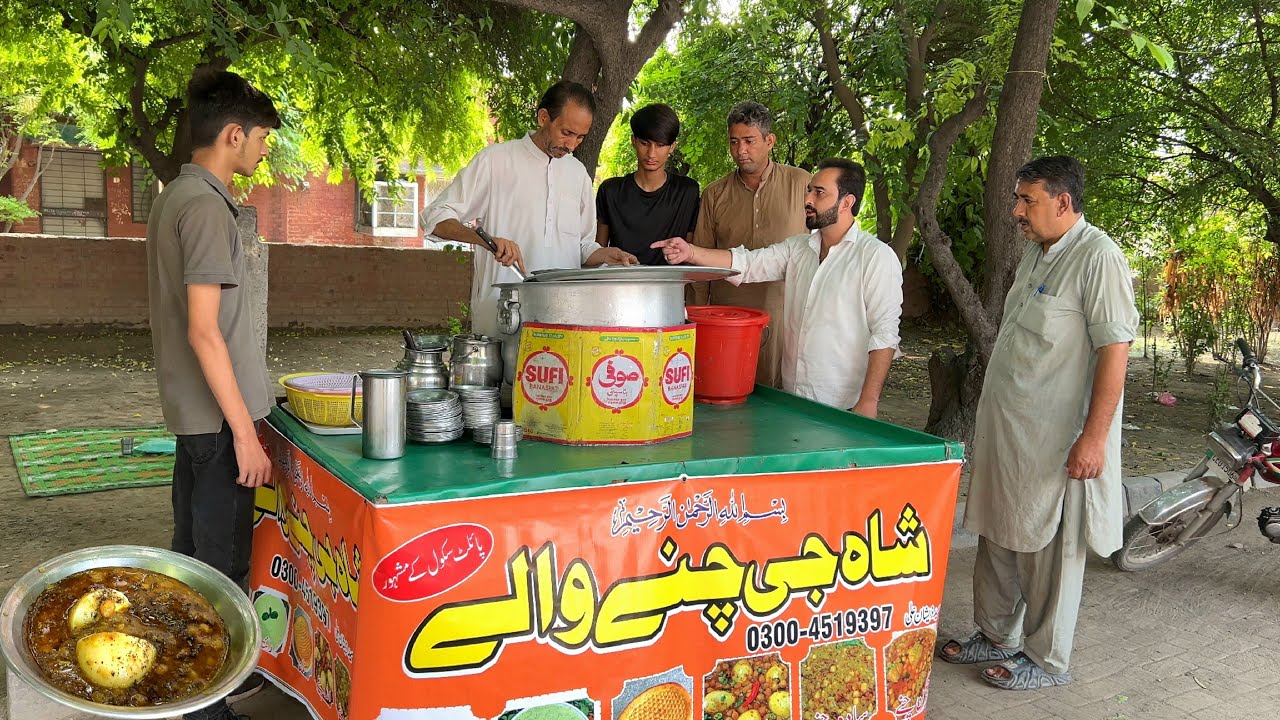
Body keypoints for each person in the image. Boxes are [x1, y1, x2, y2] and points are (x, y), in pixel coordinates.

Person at [939, 156, 1139, 691]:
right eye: (1018, 199)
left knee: (1050, 548)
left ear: (1063, 202)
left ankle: (1046, 659)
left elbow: (1115, 351)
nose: (1016, 211)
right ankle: (995, 634)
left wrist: (1093, 438)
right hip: (1011, 432)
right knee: (1000, 534)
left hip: (1058, 440)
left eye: (1027, 200)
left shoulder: (1099, 258)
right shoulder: (1037, 252)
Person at [146, 70, 280, 720]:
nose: (262, 153)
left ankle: (186, 687)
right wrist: (246, 434)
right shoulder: (204, 206)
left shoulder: (183, 196)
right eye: (260, 141)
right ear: (233, 134)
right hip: (219, 427)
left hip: (201, 420)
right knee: (218, 575)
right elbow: (205, 333)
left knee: (192, 560)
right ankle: (204, 707)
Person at [654, 158, 901, 415]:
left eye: (819, 193)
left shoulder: (875, 257)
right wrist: (690, 251)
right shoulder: (799, 248)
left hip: (844, 405)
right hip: (794, 399)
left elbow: (884, 335)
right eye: (809, 190)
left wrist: (869, 401)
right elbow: (747, 263)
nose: (808, 199)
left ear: (847, 202)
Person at [423, 80, 636, 337]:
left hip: (563, 320)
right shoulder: (496, 160)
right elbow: (435, 217)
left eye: (580, 137)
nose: (571, 145)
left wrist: (605, 254)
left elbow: (581, 246)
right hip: (501, 319)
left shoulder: (577, 174)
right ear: (543, 117)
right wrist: (487, 241)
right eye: (566, 133)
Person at [688, 101, 810, 388]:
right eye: (734, 141)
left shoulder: (802, 183)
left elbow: (819, 248)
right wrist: (694, 319)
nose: (741, 150)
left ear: (769, 141)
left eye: (749, 141)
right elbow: (700, 264)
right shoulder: (715, 193)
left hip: (785, 315)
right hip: (728, 318)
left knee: (783, 394)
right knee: (727, 390)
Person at [595, 103, 700, 265]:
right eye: (645, 143)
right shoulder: (610, 191)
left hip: (671, 286)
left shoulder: (687, 192)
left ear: (672, 146)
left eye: (660, 145)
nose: (651, 153)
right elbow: (599, 253)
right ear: (633, 141)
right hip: (620, 284)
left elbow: (692, 252)